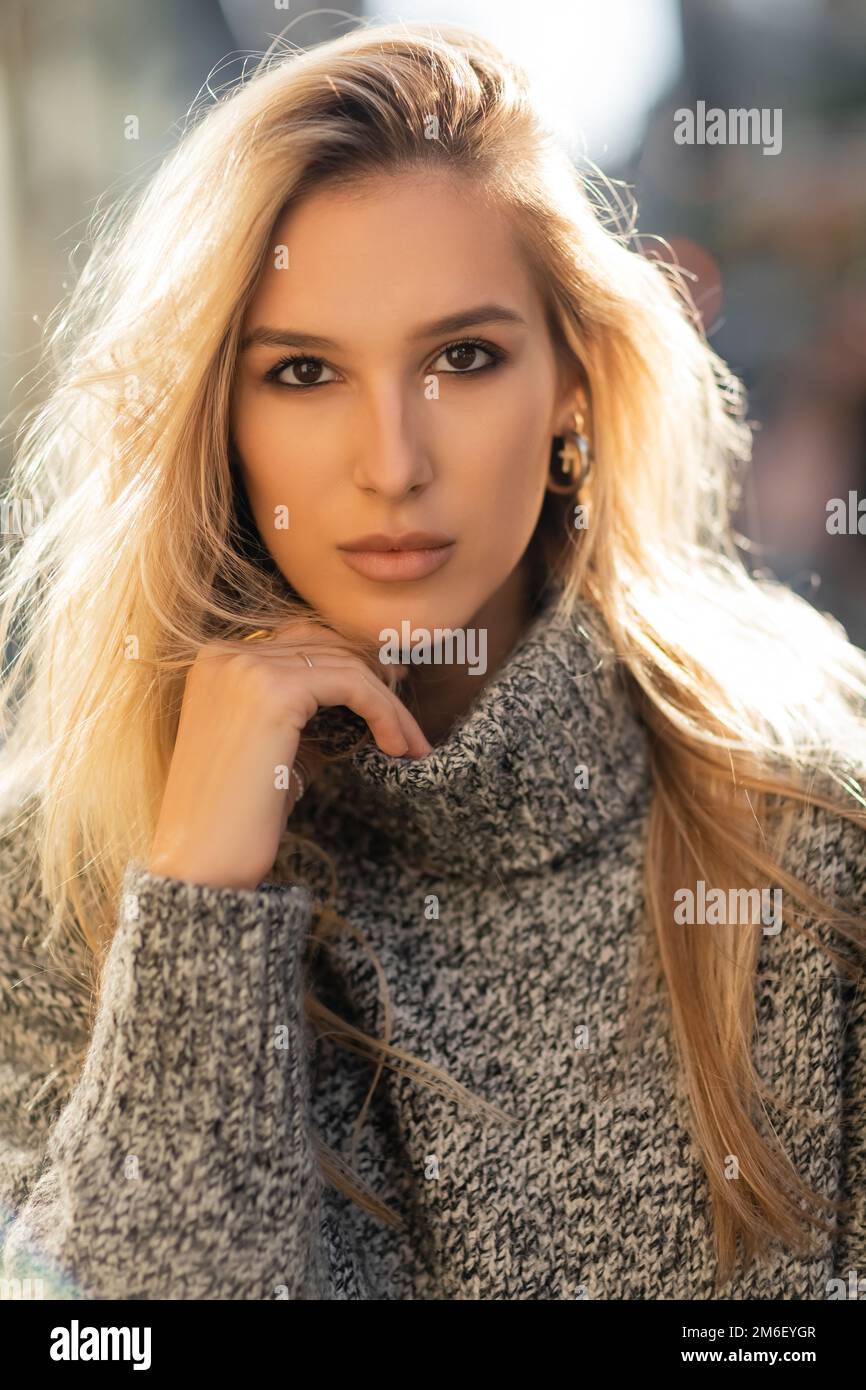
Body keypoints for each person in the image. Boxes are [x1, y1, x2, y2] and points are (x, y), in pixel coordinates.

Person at [1, 19, 865, 1302]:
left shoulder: (804, 830)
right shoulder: (56, 877)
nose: (392, 462)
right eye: (302, 372)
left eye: (462, 358)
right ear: (218, 420)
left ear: (570, 387)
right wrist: (192, 911)